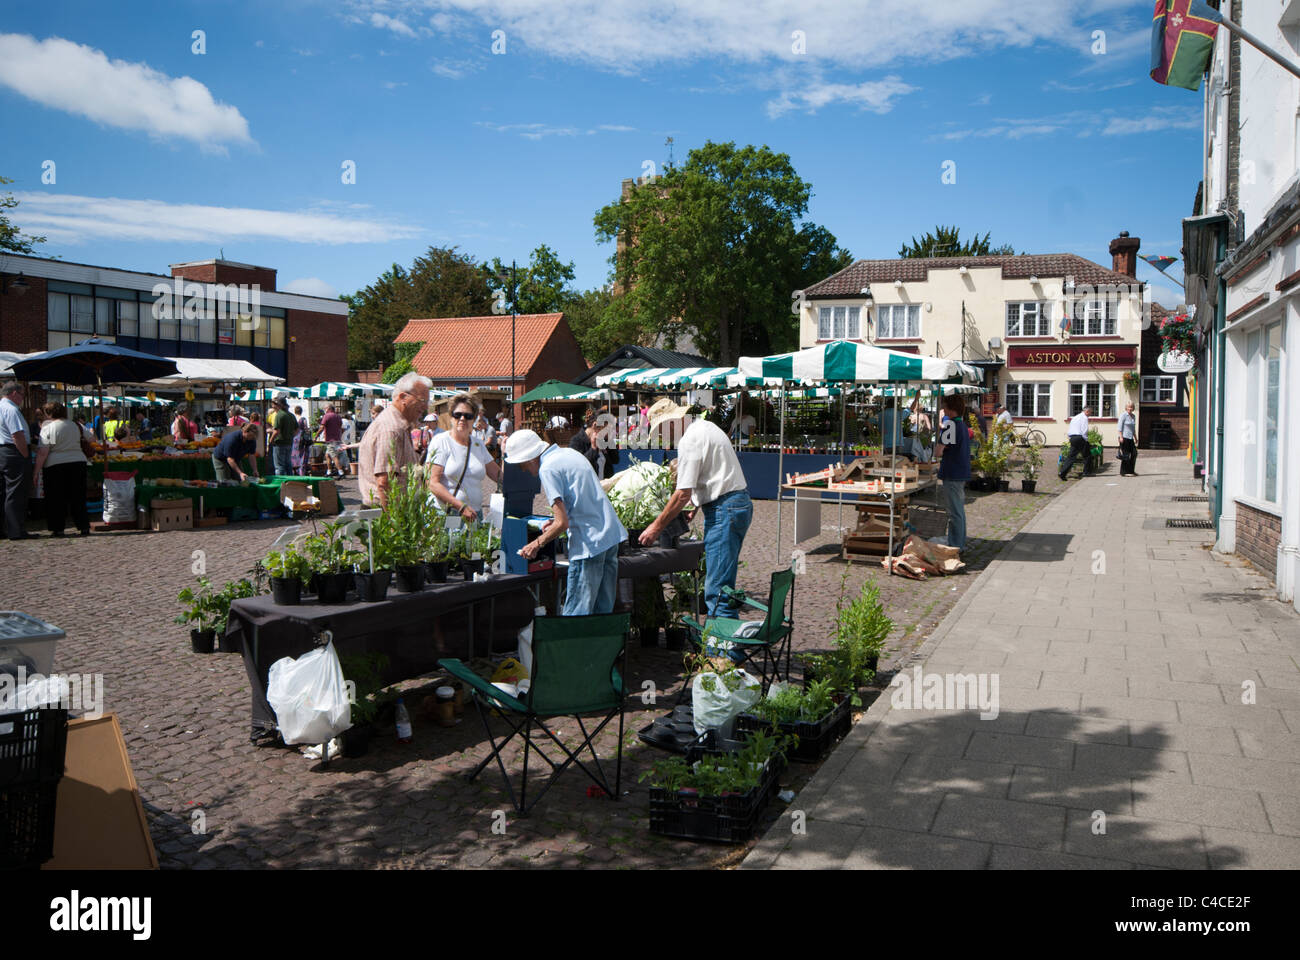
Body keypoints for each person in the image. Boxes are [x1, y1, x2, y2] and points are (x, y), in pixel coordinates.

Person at [639, 405, 752, 618]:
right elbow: (712, 472)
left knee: (717, 590)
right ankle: (724, 644)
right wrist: (697, 504)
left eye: (661, 431)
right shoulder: (707, 427)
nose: (662, 437)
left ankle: (723, 649)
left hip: (725, 508)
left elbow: (682, 493)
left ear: (671, 423)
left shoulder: (689, 440)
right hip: (736, 503)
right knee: (723, 583)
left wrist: (656, 526)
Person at [509, 429, 625, 615]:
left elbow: (562, 523)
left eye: (521, 465)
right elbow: (580, 501)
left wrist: (536, 544)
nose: (524, 470)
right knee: (603, 612)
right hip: (610, 536)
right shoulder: (569, 453)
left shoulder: (547, 468)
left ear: (530, 458)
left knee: (577, 615)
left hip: (589, 544)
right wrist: (555, 522)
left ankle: (572, 646)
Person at [357, 373, 429, 507]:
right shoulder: (391, 429)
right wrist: (393, 525)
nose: (425, 408)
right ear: (403, 397)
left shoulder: (399, 425)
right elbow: (385, 483)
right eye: (422, 401)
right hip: (386, 515)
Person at [427, 394, 501, 521]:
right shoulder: (441, 441)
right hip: (448, 514)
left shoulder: (478, 444)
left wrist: (517, 484)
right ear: (451, 417)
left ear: (474, 419)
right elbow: (432, 483)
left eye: (468, 416)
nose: (462, 419)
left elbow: (497, 474)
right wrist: (461, 507)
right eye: (457, 414)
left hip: (474, 514)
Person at [33, 401, 89, 538]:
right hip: (78, 461)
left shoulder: (50, 428)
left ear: (49, 413)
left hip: (56, 465)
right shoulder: (76, 425)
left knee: (56, 498)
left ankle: (58, 528)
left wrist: (35, 471)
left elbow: (44, 451)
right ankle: (83, 526)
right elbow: (91, 437)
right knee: (78, 497)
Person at [932, 394, 972, 553]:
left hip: (952, 472)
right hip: (960, 471)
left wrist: (939, 449)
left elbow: (938, 452)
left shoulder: (950, 425)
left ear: (951, 408)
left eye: (944, 406)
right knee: (959, 511)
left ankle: (956, 545)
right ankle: (959, 542)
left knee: (954, 512)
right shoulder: (962, 425)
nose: (942, 409)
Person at [0, 382, 32, 540]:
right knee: (16, 492)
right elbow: (17, 435)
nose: (22, 398)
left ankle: (5, 529)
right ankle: (15, 530)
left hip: (3, 452)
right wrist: (25, 455)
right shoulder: (11, 409)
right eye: (22, 395)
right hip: (14, 452)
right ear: (14, 393)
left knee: (4, 492)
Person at [570, 407, 614, 479]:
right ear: (595, 425)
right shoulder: (576, 441)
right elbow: (577, 466)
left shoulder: (602, 440)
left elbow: (615, 460)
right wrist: (593, 448)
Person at [267, 397, 298, 476]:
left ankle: (280, 484)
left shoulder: (280, 415)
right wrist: (291, 436)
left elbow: (277, 431)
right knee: (288, 465)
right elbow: (297, 429)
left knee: (279, 466)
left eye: (274, 405)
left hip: (279, 443)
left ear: (278, 405)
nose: (273, 406)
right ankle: (291, 483)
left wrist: (271, 441)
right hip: (288, 442)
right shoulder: (291, 415)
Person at [1060, 405, 1093, 480]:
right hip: (1080, 438)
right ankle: (1086, 472)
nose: (1090, 414)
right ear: (1087, 411)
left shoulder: (1075, 417)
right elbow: (1084, 430)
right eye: (1090, 412)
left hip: (1073, 437)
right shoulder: (1084, 418)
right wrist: (1086, 440)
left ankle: (1062, 472)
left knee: (1071, 457)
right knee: (1087, 455)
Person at [317, 404, 347, 479]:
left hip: (330, 440)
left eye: (325, 408)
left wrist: (316, 436)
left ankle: (341, 473)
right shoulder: (338, 416)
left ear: (329, 408)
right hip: (337, 439)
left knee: (334, 456)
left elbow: (322, 427)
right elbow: (341, 428)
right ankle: (329, 471)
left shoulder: (327, 416)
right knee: (327, 455)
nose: (324, 410)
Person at [908, 397, 933, 462]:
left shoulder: (911, 417)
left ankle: (916, 464)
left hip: (913, 438)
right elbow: (929, 427)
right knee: (923, 452)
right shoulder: (924, 416)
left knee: (916, 453)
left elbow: (909, 429)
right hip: (923, 437)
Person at [1118, 401, 1138, 477]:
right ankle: (1124, 472)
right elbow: (1119, 427)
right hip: (1124, 437)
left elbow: (1133, 428)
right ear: (1126, 408)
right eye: (1129, 407)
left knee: (1134, 453)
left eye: (1131, 407)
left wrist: (1135, 438)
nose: (1130, 408)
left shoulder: (1133, 416)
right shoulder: (1123, 415)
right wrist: (1121, 437)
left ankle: (1131, 470)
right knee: (1125, 455)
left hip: (1130, 437)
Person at [290, 405, 310, 475]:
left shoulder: (293, 419)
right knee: (302, 455)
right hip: (301, 438)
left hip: (294, 437)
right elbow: (306, 429)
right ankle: (301, 471)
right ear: (301, 411)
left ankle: (294, 470)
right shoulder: (303, 419)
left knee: (294, 454)